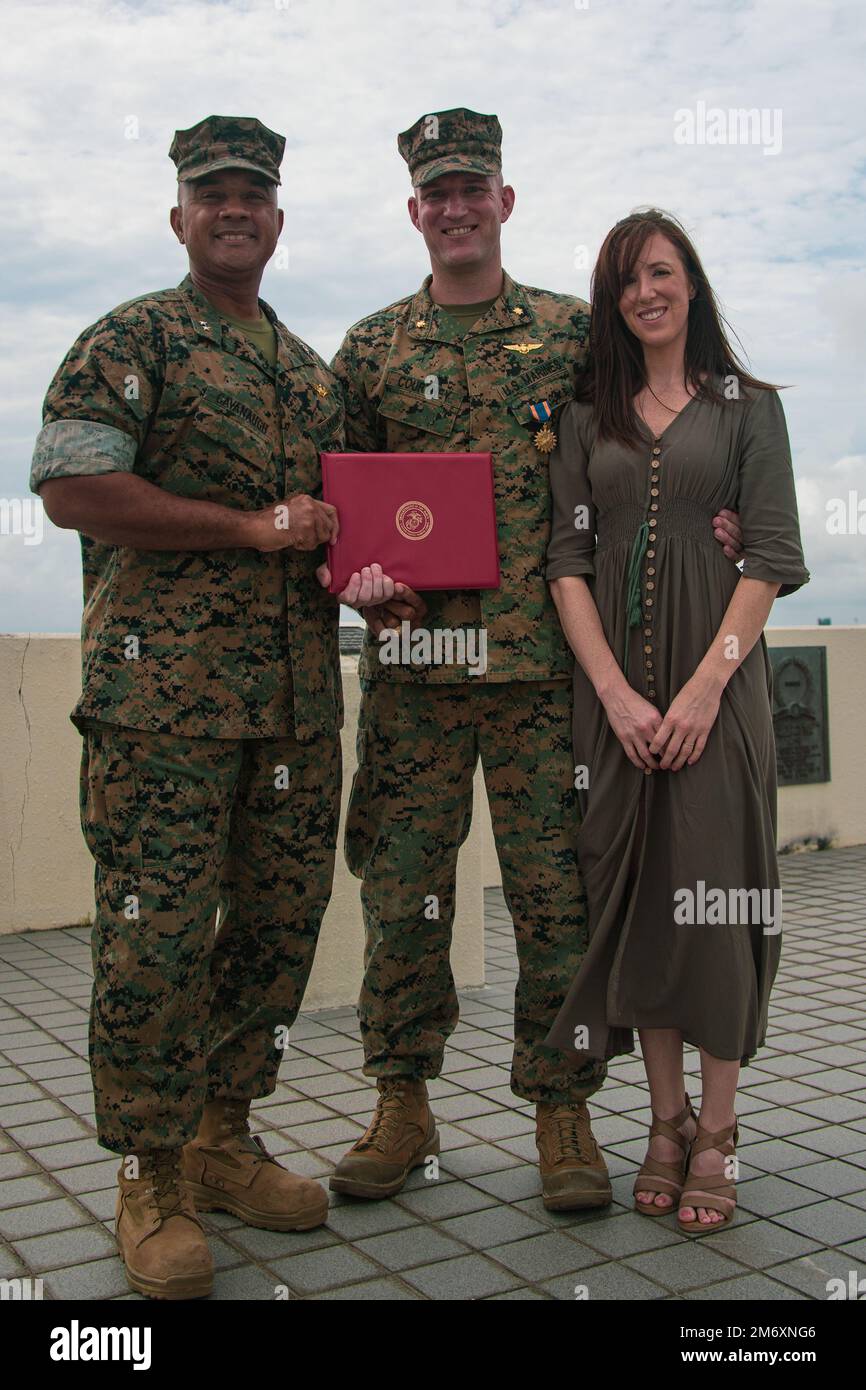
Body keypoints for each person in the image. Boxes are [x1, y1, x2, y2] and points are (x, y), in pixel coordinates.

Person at [323, 111, 744, 1211]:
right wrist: (357, 586)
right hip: (416, 675)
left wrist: (721, 514)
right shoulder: (370, 348)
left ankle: (563, 1113)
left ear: (502, 203)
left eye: (473, 187)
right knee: (401, 898)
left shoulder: (569, 335)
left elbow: (654, 436)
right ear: (414, 211)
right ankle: (401, 1103)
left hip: (543, 679)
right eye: (435, 192)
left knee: (554, 904)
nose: (455, 206)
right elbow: (339, 509)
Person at [29, 115, 354, 1300]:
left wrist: (376, 578)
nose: (233, 210)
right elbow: (71, 487)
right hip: (161, 714)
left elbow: (345, 530)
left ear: (276, 219)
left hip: (293, 714)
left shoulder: (309, 375)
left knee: (276, 936)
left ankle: (225, 1137)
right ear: (179, 215)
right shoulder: (133, 339)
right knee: (155, 942)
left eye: (253, 195)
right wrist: (245, 526)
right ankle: (149, 1173)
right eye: (211, 193)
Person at [545, 208, 809, 1232]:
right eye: (623, 281)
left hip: (718, 696)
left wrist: (700, 690)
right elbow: (564, 565)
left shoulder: (748, 409)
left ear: (689, 283)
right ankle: (661, 1120)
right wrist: (613, 693)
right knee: (640, 904)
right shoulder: (584, 421)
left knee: (715, 898)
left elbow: (769, 558)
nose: (643, 292)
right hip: (609, 709)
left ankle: (720, 1127)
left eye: (658, 272)